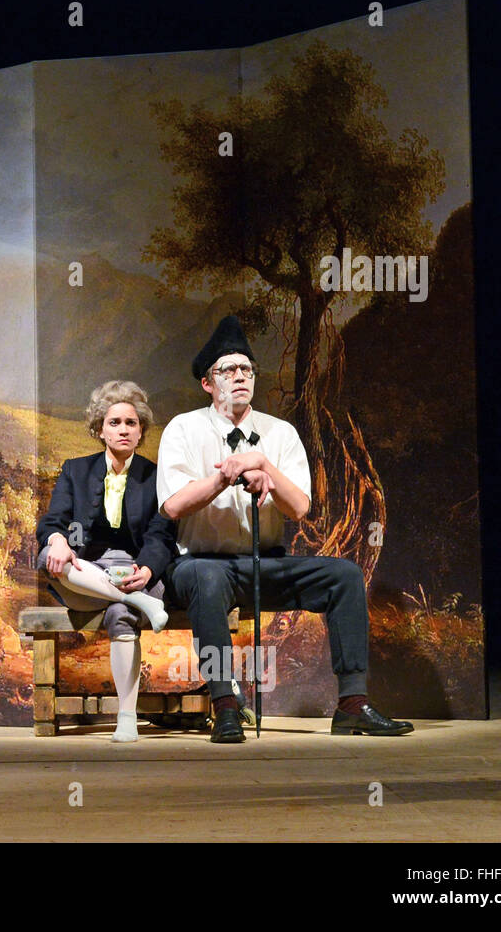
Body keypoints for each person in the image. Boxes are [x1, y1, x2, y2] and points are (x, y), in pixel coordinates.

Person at [156, 315, 414, 743]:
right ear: (207, 383)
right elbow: (172, 505)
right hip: (201, 565)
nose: (240, 377)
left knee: (344, 576)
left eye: (247, 370)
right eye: (228, 370)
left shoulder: (281, 433)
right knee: (205, 575)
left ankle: (352, 703)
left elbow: (300, 509)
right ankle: (224, 705)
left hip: (263, 563)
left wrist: (264, 467)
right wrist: (224, 477)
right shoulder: (183, 429)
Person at [36, 381, 178, 743]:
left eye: (131, 423)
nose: (123, 429)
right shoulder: (75, 470)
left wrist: (145, 570)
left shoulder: (154, 476)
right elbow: (54, 522)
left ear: (141, 430)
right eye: (114, 422)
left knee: (120, 616)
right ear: (100, 429)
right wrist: (58, 542)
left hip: (134, 569)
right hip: (86, 573)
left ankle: (127, 718)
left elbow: (161, 533)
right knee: (48, 559)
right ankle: (138, 599)